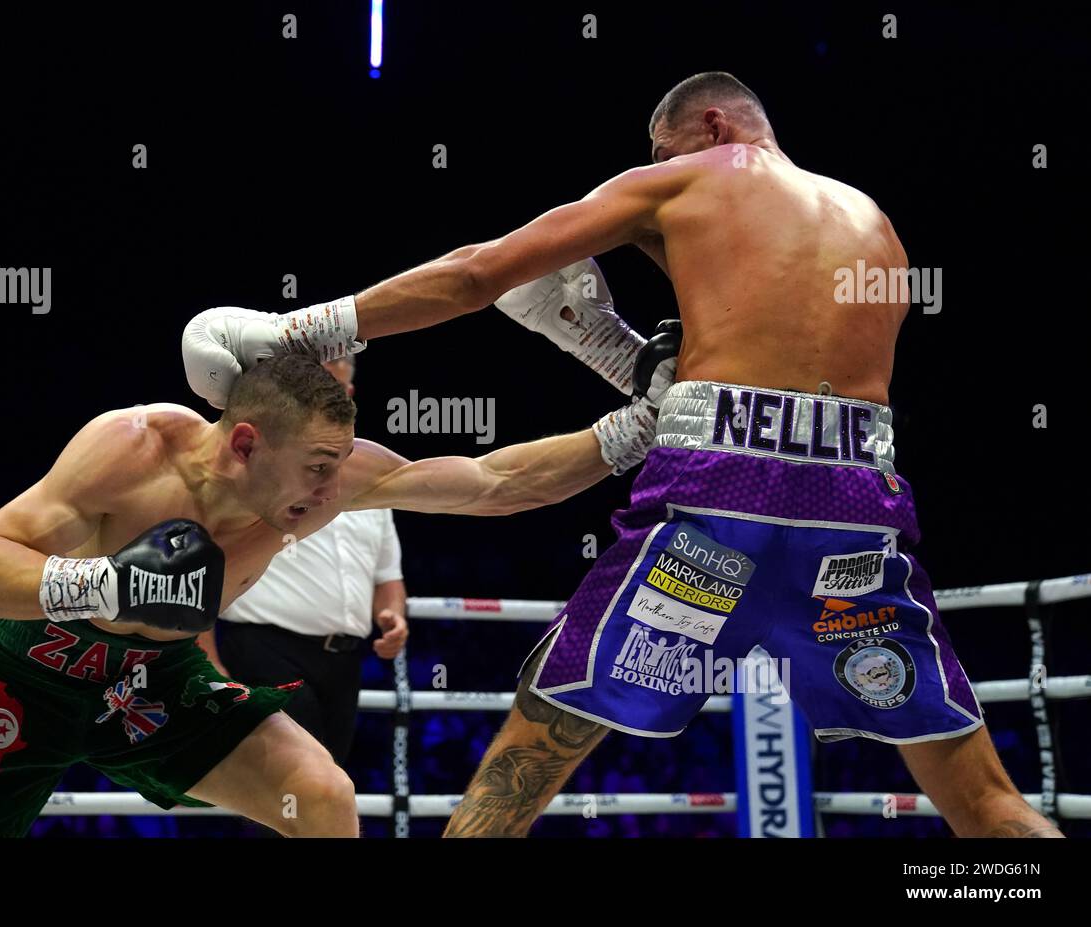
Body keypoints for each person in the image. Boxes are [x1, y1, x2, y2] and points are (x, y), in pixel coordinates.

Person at [182, 71, 1056, 839]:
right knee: (982, 798)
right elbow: (773, 363)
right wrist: (631, 362)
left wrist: (303, 327)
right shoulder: (876, 226)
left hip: (723, 493)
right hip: (860, 504)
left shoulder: (694, 175)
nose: (653, 164)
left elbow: (481, 272)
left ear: (712, 127)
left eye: (658, 146)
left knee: (524, 759)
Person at [0, 341, 677, 837]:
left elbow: (490, 482)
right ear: (246, 443)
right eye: (317, 470)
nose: (329, 494)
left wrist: (639, 425)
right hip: (26, 672)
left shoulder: (323, 479)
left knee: (325, 794)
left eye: (340, 470)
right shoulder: (134, 448)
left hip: (157, 684)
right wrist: (108, 585)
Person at [200, 354, 409, 766]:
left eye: (342, 388)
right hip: (266, 648)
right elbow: (203, 563)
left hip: (345, 662)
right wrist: (207, 659)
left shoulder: (373, 481)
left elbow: (387, 576)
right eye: (325, 384)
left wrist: (392, 616)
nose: (335, 396)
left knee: (326, 787)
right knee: (293, 784)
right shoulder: (262, 468)